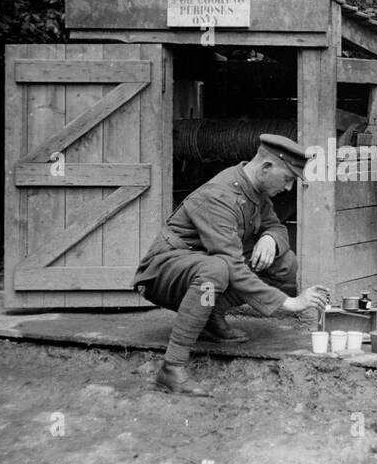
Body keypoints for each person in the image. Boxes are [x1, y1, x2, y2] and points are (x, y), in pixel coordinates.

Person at [133, 134, 329, 396]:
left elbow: (276, 227)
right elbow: (233, 266)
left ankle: (210, 316)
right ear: (266, 167)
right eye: (288, 178)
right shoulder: (219, 195)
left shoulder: (255, 190)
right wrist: (290, 303)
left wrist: (270, 238)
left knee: (284, 262)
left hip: (204, 272)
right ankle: (172, 368)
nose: (289, 188)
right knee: (217, 269)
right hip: (163, 274)